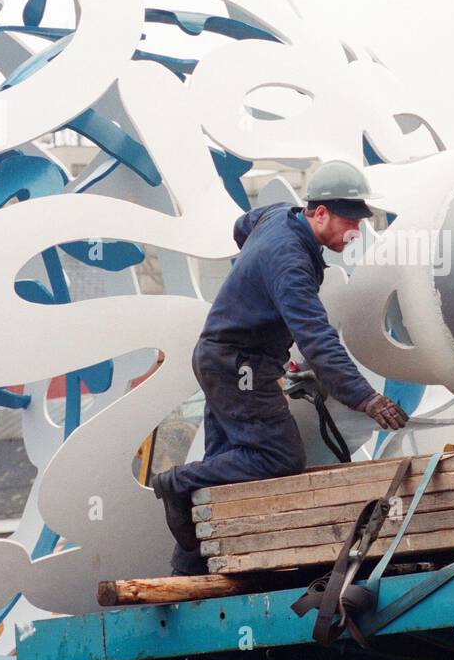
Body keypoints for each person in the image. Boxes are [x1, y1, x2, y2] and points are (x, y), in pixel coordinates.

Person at [151, 160, 410, 575]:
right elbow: (316, 337)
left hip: (221, 359)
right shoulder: (290, 263)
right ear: (320, 213)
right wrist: (365, 397)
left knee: (223, 469)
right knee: (278, 457)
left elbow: (242, 224)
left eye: (359, 222)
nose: (354, 232)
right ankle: (176, 483)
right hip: (239, 367)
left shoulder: (278, 217)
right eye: (348, 221)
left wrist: (254, 278)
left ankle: (189, 573)